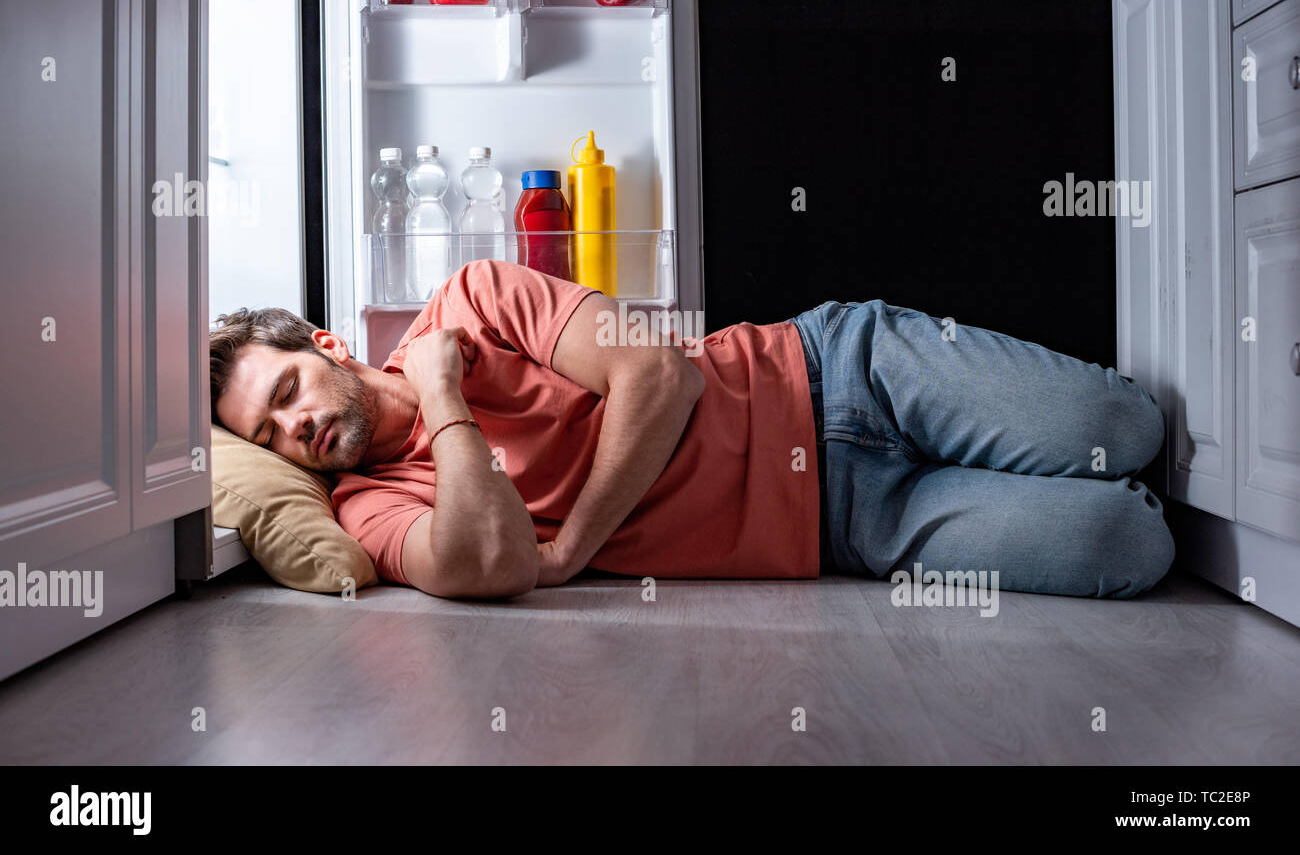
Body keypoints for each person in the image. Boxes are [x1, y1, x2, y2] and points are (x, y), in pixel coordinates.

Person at [209, 259, 1174, 601]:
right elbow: (488, 565)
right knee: (1131, 540)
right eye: (274, 430)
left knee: (1123, 423)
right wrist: (447, 404)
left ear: (327, 344)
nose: (300, 422)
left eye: (289, 385)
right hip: (846, 529)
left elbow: (658, 372)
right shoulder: (373, 506)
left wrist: (576, 544)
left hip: (842, 371)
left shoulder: (473, 297)